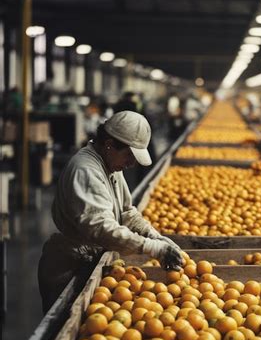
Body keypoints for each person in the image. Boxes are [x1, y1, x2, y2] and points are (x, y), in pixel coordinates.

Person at [38, 111, 183, 313]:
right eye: (129, 155)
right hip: (69, 266)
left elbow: (126, 212)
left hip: (90, 258)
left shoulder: (110, 166)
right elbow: (101, 228)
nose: (131, 163)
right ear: (109, 144)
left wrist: (153, 235)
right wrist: (152, 248)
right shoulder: (86, 171)